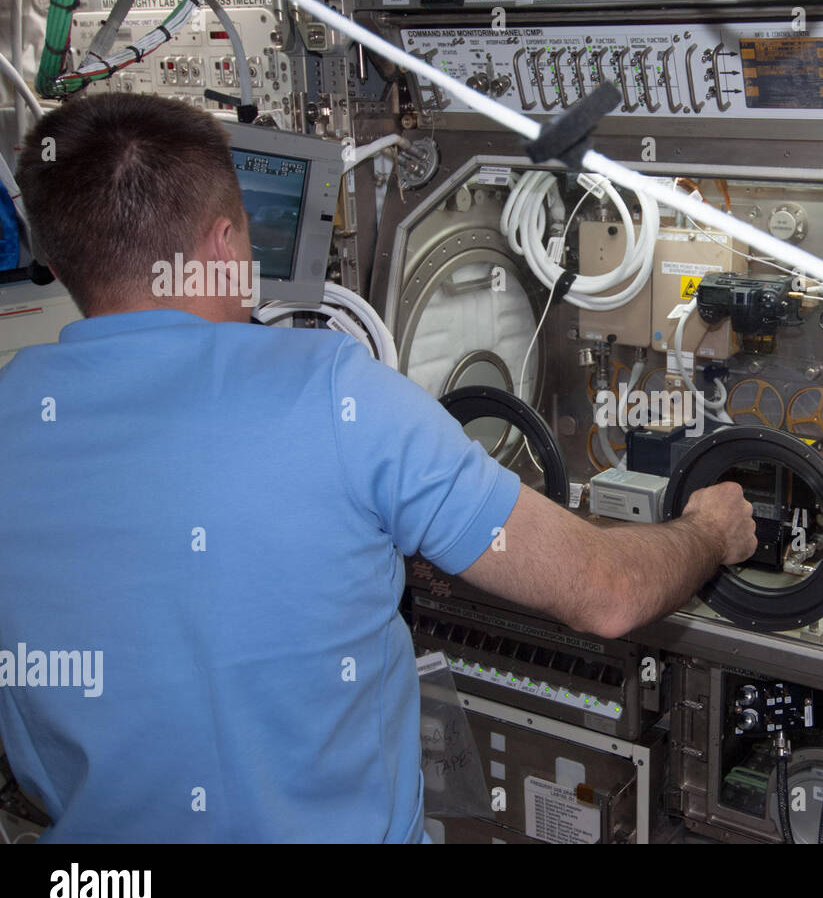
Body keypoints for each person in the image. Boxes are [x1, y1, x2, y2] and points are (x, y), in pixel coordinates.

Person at [0, 94, 756, 842]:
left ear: (62, 262)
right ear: (228, 245)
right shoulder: (333, 393)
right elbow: (607, 592)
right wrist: (709, 530)